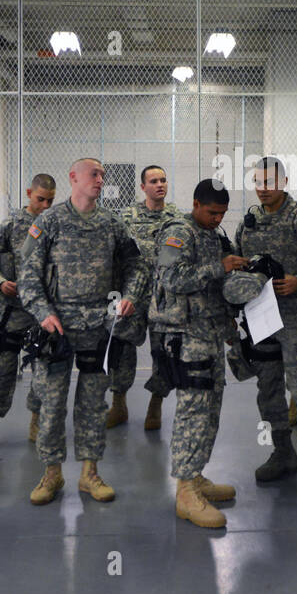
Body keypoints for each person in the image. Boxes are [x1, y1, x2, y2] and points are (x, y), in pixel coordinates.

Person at [18, 157, 142, 505]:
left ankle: (90, 473)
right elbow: (27, 271)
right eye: (93, 174)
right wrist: (42, 312)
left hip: (98, 328)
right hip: (57, 328)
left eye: (102, 175)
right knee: (52, 403)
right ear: (73, 178)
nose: (100, 180)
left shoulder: (112, 224)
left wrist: (131, 295)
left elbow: (137, 264)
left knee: (92, 404)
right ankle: (51, 474)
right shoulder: (49, 221)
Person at [149, 179, 247, 528]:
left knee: (211, 407)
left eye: (221, 213)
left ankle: (197, 475)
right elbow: (171, 279)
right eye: (211, 212)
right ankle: (185, 491)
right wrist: (220, 267)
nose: (216, 218)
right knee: (193, 411)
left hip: (211, 333)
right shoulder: (178, 232)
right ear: (195, 204)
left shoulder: (214, 236)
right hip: (185, 336)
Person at [232, 157, 297, 498]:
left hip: (295, 318)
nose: (262, 187)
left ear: (284, 181)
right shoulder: (249, 222)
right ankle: (283, 453)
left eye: (269, 181)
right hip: (260, 319)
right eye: (257, 181)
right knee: (268, 390)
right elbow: (238, 259)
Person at [0, 174, 55, 454]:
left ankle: (36, 421)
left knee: (44, 369)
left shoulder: (56, 225)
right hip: (14, 310)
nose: (45, 205)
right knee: (1, 370)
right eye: (40, 199)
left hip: (44, 310)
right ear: (29, 193)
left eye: (50, 200)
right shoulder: (10, 225)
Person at [107, 165, 183, 431]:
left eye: (163, 179)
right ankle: (119, 403)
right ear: (143, 187)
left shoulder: (177, 218)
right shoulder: (127, 216)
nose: (160, 184)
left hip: (164, 296)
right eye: (153, 181)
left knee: (162, 351)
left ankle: (156, 404)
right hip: (134, 294)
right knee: (123, 348)